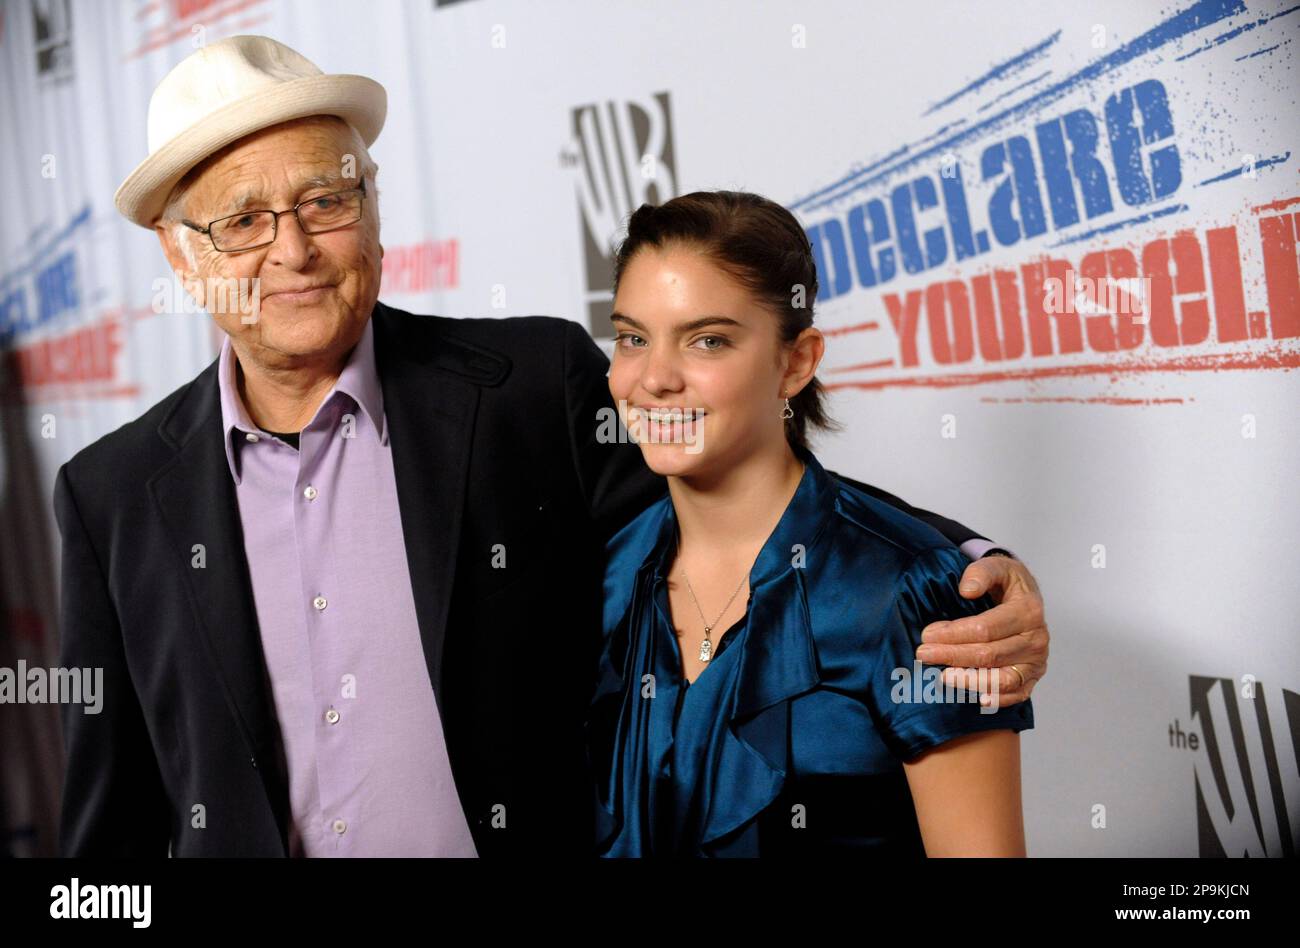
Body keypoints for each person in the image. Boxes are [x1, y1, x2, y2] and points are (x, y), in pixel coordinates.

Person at [56, 35, 1048, 857]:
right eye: (241, 221)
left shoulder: (532, 385)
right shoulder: (108, 498)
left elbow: (721, 520)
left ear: (373, 213)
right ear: (181, 259)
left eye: (326, 200)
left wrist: (961, 569)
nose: (293, 248)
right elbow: (111, 825)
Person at [588, 191, 1034, 856]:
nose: (654, 377)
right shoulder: (611, 574)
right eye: (632, 338)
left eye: (708, 340)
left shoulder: (913, 592)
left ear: (795, 362)